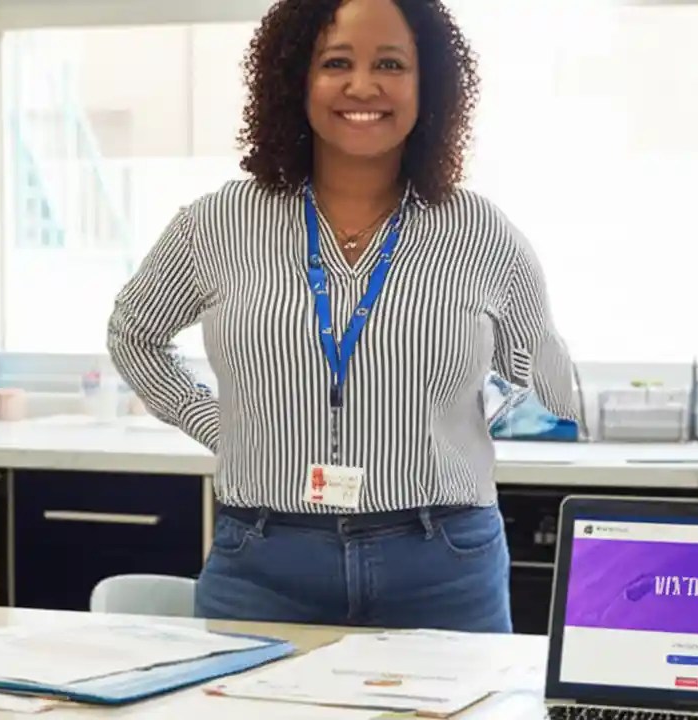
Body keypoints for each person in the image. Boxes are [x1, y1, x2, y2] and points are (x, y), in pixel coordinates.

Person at [107, 0, 576, 633]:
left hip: (442, 563)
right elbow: (133, 333)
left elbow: (533, 364)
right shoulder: (216, 225)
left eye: (390, 63)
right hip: (266, 562)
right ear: (296, 78)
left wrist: (446, 418)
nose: (363, 86)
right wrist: (221, 423)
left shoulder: (480, 232)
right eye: (336, 62)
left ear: (426, 84)